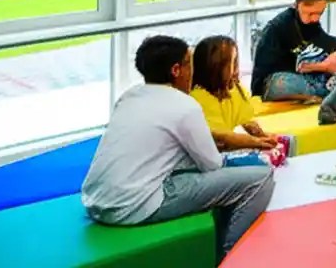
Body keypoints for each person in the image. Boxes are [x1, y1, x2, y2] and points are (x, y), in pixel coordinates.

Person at [82, 36, 275, 261]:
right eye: (188, 64)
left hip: (95, 200)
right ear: (176, 70)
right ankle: (231, 258)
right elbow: (212, 164)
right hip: (134, 206)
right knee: (260, 178)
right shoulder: (185, 105)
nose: (192, 71)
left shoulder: (129, 97)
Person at [251, 0, 336, 124]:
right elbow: (298, 65)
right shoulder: (279, 27)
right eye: (310, 14)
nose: (314, 19)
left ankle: (324, 90)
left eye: (319, 14)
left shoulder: (310, 23)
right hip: (273, 81)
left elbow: (322, 39)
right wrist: (324, 66)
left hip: (302, 76)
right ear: (298, 5)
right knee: (285, 82)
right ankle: (327, 92)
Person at [191, 36, 282, 157]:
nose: (236, 69)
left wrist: (264, 137)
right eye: (233, 63)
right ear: (215, 67)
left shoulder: (234, 90)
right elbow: (221, 140)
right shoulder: (198, 98)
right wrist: (258, 143)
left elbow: (248, 122)